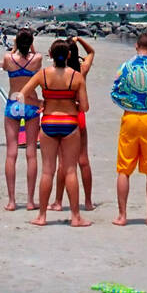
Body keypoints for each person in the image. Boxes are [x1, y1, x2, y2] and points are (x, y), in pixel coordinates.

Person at [22, 39, 91, 227]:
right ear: (69, 55)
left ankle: (42, 216)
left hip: (48, 122)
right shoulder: (76, 76)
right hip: (69, 123)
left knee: (47, 171)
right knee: (70, 170)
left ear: (50, 55)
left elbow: (23, 94)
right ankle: (76, 217)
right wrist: (74, 104)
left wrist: (39, 104)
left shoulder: (42, 75)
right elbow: (85, 106)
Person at [111, 29, 147, 226]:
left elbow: (115, 91)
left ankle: (122, 215)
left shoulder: (125, 66)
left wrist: (128, 103)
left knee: (124, 169)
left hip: (129, 118)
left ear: (137, 45)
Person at [50, 36, 95, 212]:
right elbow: (91, 52)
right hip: (78, 115)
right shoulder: (81, 70)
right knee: (83, 160)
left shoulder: (57, 71)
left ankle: (59, 201)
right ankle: (89, 201)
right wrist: (80, 40)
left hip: (61, 116)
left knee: (63, 163)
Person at [0, 29, 42, 211]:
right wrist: (29, 45)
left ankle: (11, 200)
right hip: (31, 104)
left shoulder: (9, 58)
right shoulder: (37, 59)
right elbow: (35, 53)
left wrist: (16, 46)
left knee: (11, 152)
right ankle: (31, 201)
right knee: (31, 152)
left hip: (14, 102)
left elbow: (5, 62)